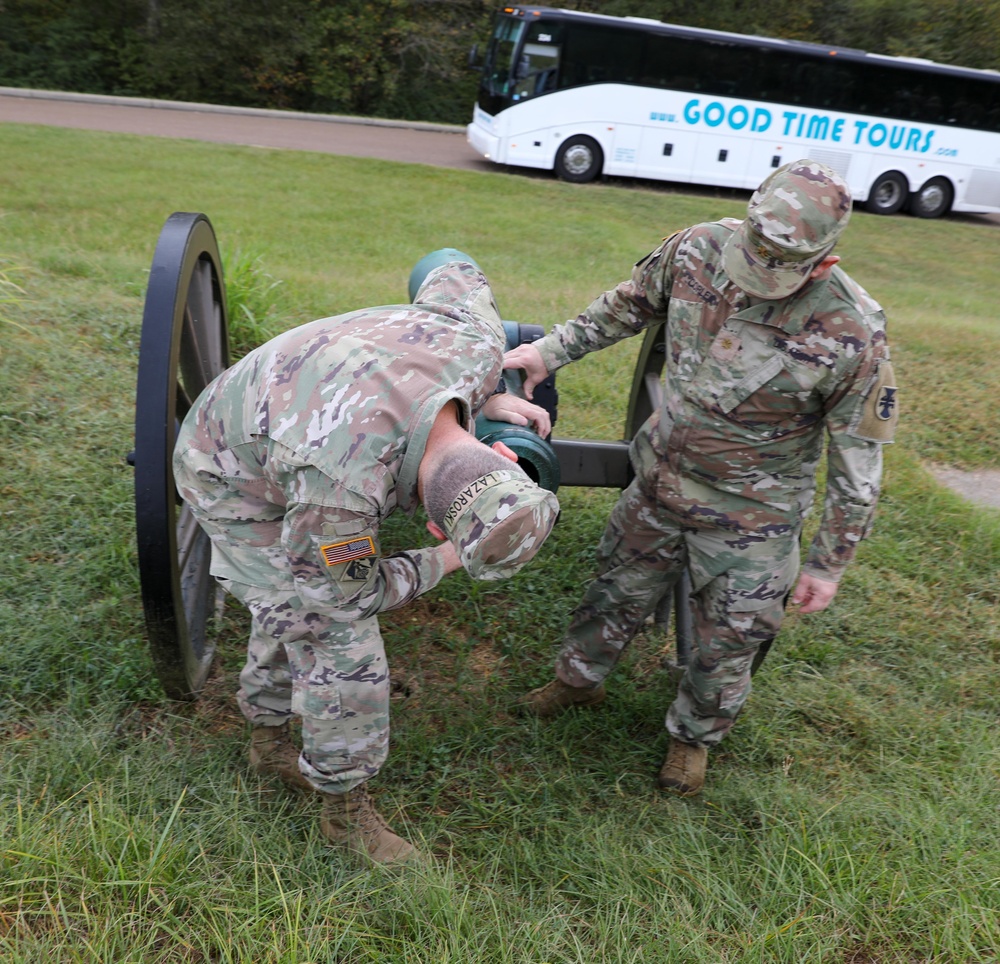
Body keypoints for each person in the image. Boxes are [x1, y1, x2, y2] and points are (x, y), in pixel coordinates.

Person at [506, 159, 899, 796]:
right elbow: (629, 304)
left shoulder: (853, 331)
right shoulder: (698, 248)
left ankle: (692, 740)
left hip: (754, 516)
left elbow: (859, 464)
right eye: (756, 253)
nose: (759, 277)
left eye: (782, 266)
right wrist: (548, 350)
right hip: (660, 478)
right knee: (613, 590)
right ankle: (576, 682)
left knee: (731, 638)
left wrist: (829, 563)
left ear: (823, 262)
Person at [173, 255, 559, 864]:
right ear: (434, 524)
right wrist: (445, 561)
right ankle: (343, 815)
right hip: (225, 466)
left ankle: (267, 741)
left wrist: (483, 398)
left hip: (285, 413)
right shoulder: (342, 498)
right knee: (338, 641)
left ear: (506, 458)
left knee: (291, 602)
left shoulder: (478, 344)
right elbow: (347, 597)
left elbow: (453, 267)